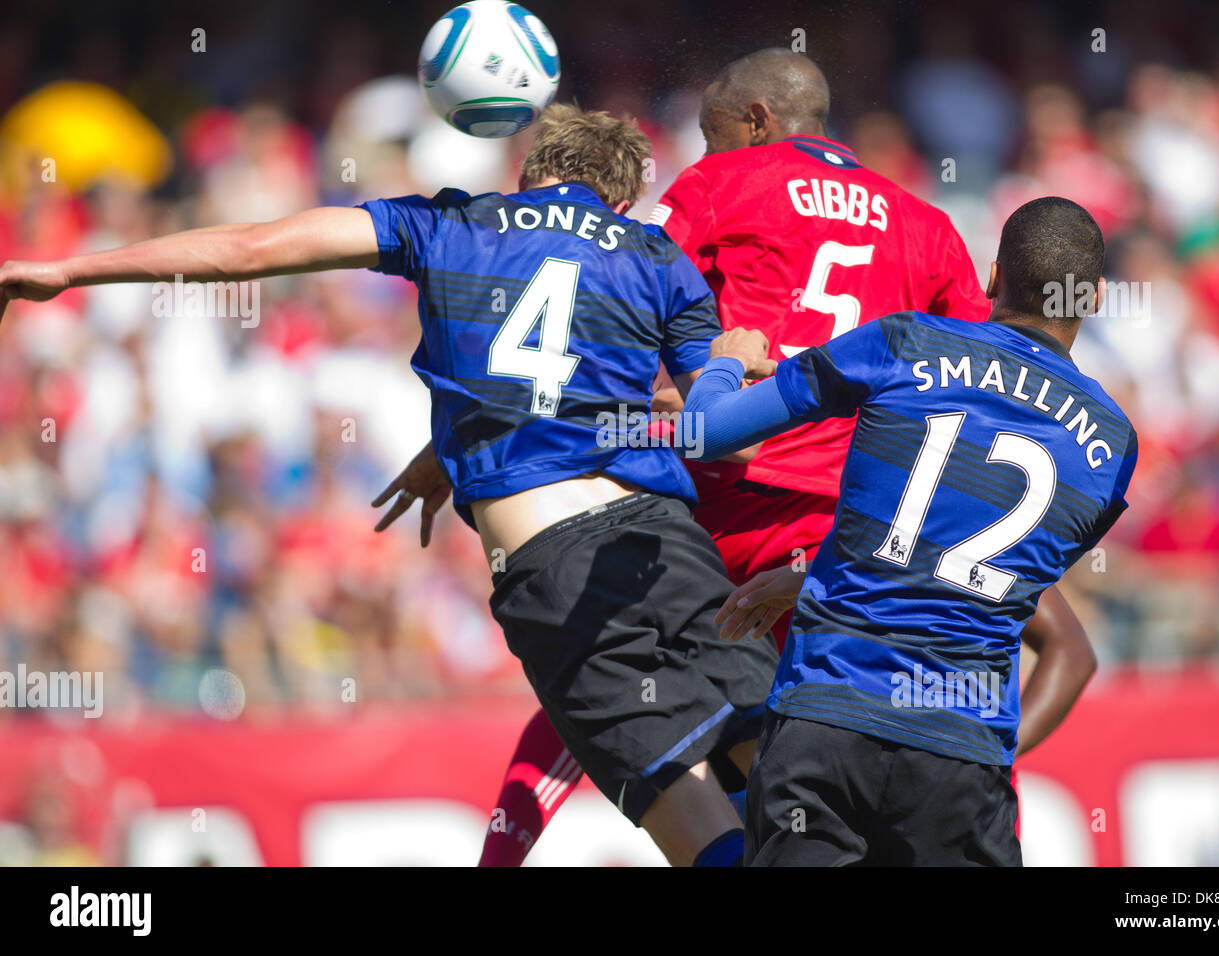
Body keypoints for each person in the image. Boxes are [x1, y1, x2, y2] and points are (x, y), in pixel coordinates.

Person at [0, 104, 780, 868]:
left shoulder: (452, 224)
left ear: (532, 172)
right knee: (783, 793)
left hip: (556, 562)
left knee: (691, 816)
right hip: (667, 546)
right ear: (618, 196)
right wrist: (726, 361)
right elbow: (717, 435)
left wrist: (71, 271)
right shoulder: (653, 255)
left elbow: (250, 248)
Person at [421, 47, 1094, 866]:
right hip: (860, 530)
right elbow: (984, 381)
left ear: (757, 122)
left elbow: (598, 295)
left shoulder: (719, 187)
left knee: (611, 665)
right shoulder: (930, 227)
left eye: (711, 137)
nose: (703, 157)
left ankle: (504, 850)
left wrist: (463, 428)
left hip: (721, 509)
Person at [683, 197, 1138, 865]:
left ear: (991, 276)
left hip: (827, 718)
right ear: (1093, 297)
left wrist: (725, 360)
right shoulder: (1113, 446)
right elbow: (986, 566)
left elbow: (705, 433)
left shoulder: (903, 342)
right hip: (959, 754)